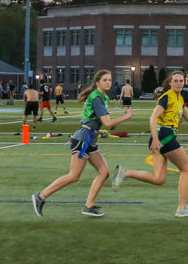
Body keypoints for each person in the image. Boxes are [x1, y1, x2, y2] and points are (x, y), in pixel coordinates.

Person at [111, 69, 188, 217]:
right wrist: (155, 138)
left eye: (181, 81)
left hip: (161, 137)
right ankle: (182, 208)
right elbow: (153, 118)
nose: (179, 83)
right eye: (176, 81)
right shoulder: (167, 97)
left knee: (159, 178)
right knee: (186, 168)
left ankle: (125, 172)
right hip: (164, 136)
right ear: (170, 83)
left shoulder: (179, 99)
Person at [31, 69, 134, 218]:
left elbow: (108, 124)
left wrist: (112, 123)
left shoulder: (103, 98)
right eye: (105, 80)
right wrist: (126, 117)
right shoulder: (97, 98)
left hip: (90, 139)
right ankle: (40, 196)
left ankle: (89, 206)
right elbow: (107, 123)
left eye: (110, 80)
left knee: (104, 172)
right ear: (97, 82)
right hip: (84, 139)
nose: (108, 82)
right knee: (74, 175)